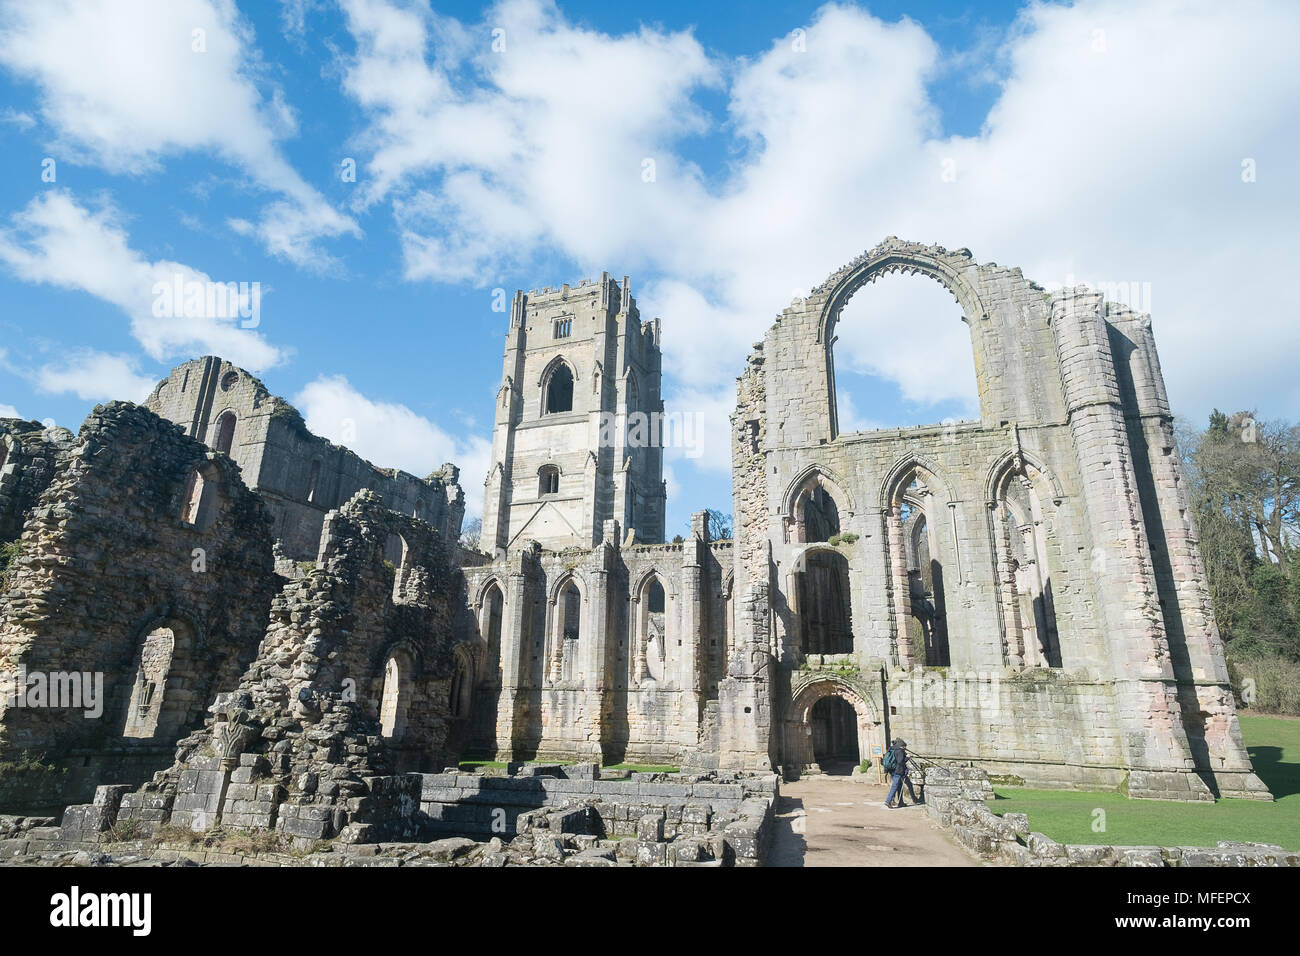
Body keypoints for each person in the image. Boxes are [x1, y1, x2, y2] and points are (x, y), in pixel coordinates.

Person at [884, 737, 922, 808]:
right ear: (902, 746)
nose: (905, 748)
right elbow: (900, 761)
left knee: (901, 785)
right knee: (895, 785)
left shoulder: (892, 749)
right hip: (898, 771)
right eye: (904, 746)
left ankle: (901, 802)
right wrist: (907, 757)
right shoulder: (900, 751)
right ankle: (888, 801)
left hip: (892, 770)